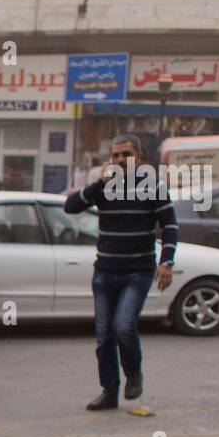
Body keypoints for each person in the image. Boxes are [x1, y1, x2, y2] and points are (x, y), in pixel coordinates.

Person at [64, 133, 178, 411]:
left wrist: (167, 262)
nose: (119, 160)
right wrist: (99, 183)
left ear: (139, 157)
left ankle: (134, 373)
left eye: (125, 155)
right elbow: (71, 206)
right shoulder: (104, 187)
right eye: (115, 155)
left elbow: (171, 227)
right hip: (104, 272)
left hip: (137, 272)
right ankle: (109, 392)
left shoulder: (154, 187)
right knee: (104, 337)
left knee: (123, 327)